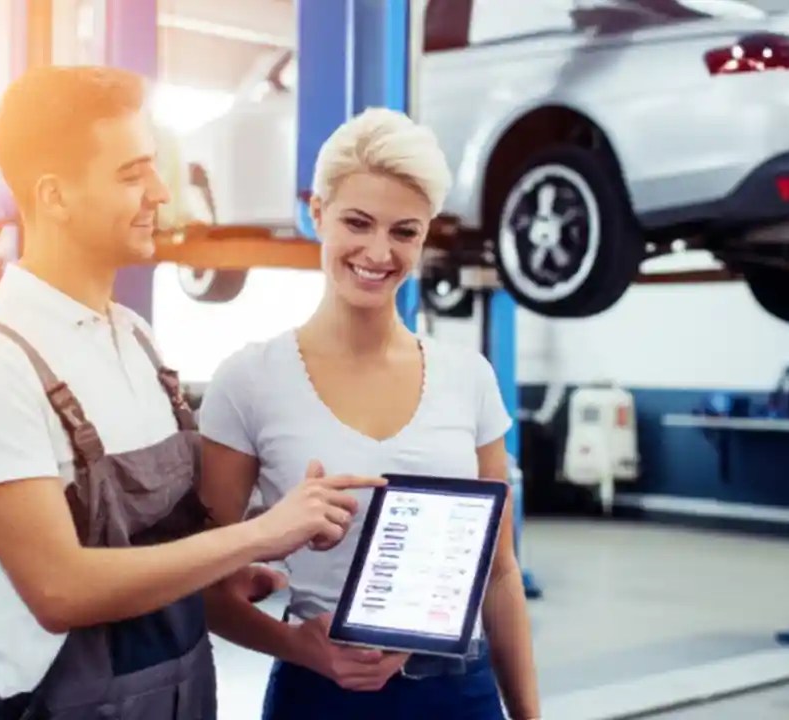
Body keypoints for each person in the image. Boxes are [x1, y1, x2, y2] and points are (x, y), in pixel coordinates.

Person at [0, 65, 381, 720]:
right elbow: (59, 589)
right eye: (131, 173)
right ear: (54, 196)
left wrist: (238, 570)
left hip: (183, 697)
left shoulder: (136, 341)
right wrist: (255, 537)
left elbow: (161, 549)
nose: (162, 192)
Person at [197, 107, 542, 720]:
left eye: (405, 232)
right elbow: (203, 586)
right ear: (317, 211)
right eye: (358, 222)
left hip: (461, 694)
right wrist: (298, 648)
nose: (378, 252)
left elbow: (499, 574)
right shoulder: (249, 380)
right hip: (320, 696)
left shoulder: (469, 377)